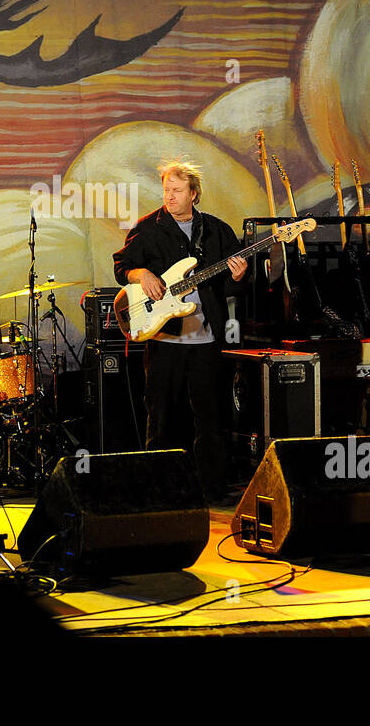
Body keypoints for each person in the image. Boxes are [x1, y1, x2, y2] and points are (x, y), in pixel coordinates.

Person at [113, 160, 247, 500]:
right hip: (164, 336)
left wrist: (239, 275)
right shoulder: (148, 228)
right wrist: (141, 274)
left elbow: (235, 286)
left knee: (209, 417)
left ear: (194, 194)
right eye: (166, 190)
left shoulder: (217, 230)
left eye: (176, 191)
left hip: (206, 337)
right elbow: (121, 266)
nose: (169, 197)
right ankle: (156, 489)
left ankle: (211, 489)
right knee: (160, 416)